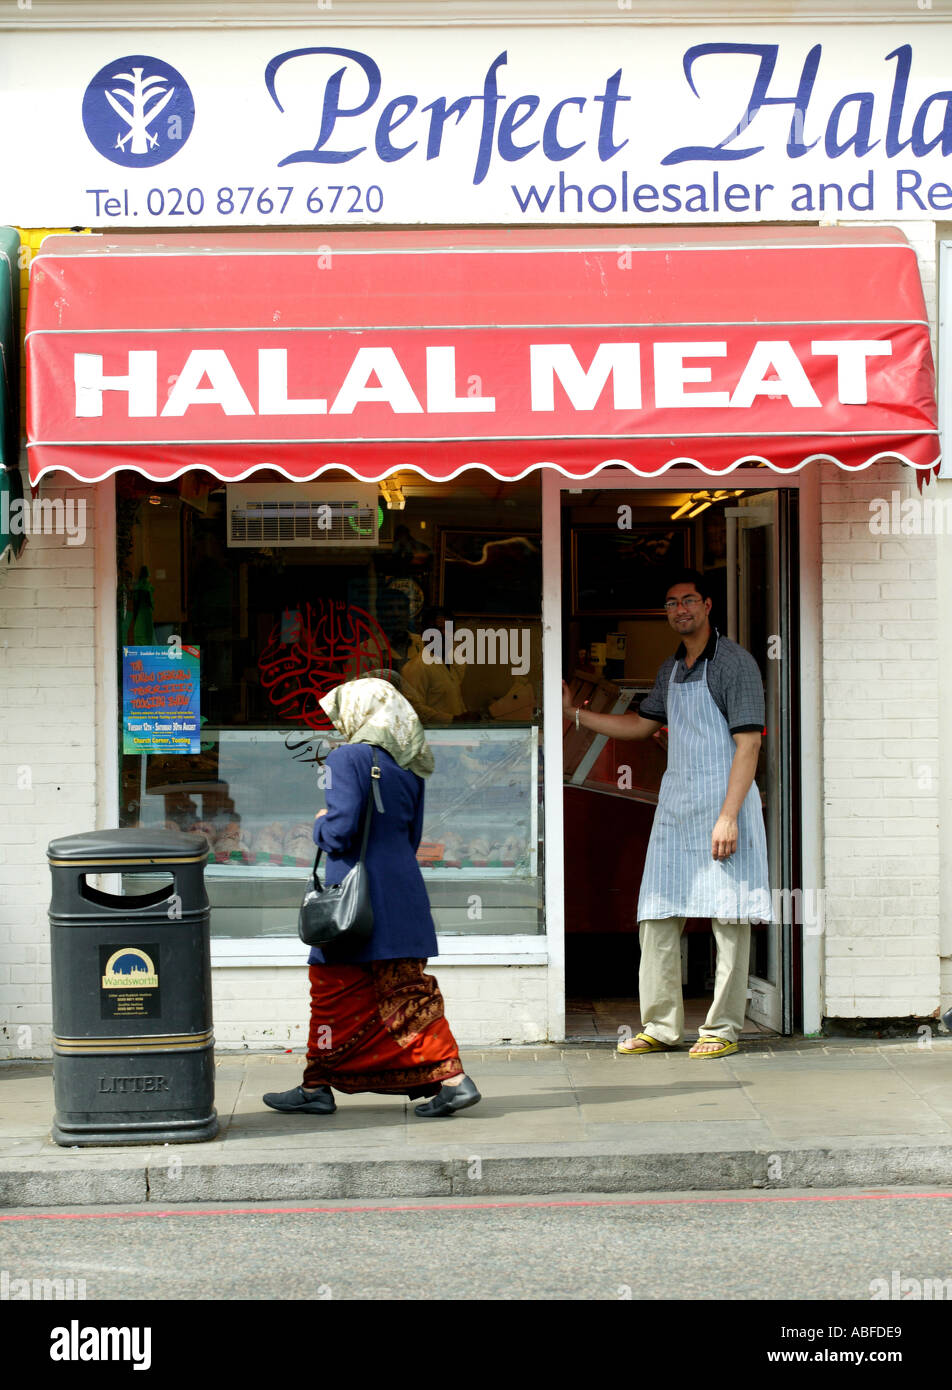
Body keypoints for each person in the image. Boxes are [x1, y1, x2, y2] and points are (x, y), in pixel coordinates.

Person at [563, 569, 770, 1059]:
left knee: (728, 917)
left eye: (689, 601)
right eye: (672, 603)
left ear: (708, 605)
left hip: (726, 805)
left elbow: (748, 745)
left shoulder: (734, 664)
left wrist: (729, 816)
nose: (681, 609)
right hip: (677, 810)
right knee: (657, 913)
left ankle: (722, 1028)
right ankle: (660, 1025)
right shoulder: (671, 668)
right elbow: (639, 724)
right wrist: (575, 715)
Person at [263, 677, 481, 1117]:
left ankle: (453, 1080)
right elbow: (411, 834)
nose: (339, 724)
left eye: (341, 714)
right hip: (401, 890)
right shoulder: (409, 763)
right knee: (403, 989)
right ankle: (317, 1083)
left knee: (333, 991)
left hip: (355, 897)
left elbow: (340, 832)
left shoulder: (347, 757)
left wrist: (320, 823)